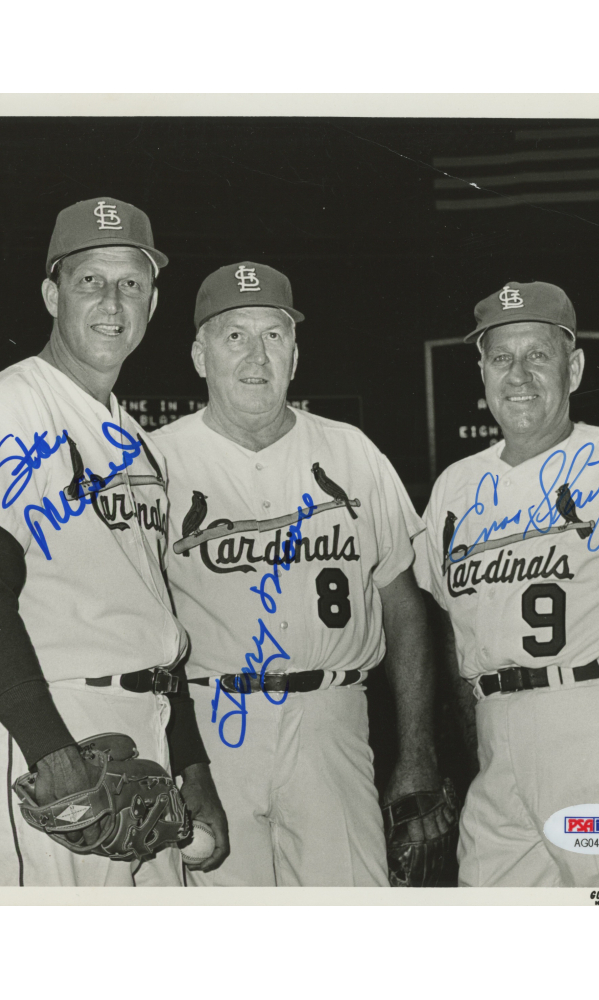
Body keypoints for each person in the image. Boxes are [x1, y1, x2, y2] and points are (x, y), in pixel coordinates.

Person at [0, 197, 229, 886]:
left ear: (153, 303)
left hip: (143, 727)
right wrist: (50, 751)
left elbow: (156, 617)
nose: (111, 301)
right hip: (50, 726)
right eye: (89, 281)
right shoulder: (6, 409)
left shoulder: (134, 444)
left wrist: (193, 765)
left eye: (130, 283)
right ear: (52, 293)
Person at [152, 261, 451, 886]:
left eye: (274, 335)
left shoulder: (352, 452)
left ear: (295, 353)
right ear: (199, 355)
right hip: (212, 725)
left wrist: (418, 752)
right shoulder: (156, 462)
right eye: (234, 335)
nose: (256, 355)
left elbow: (403, 604)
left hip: (333, 719)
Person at [413, 280, 599, 887]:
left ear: (575, 367)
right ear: (481, 371)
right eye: (502, 357)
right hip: (497, 742)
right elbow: (455, 631)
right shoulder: (456, 488)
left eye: (539, 355)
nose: (519, 375)